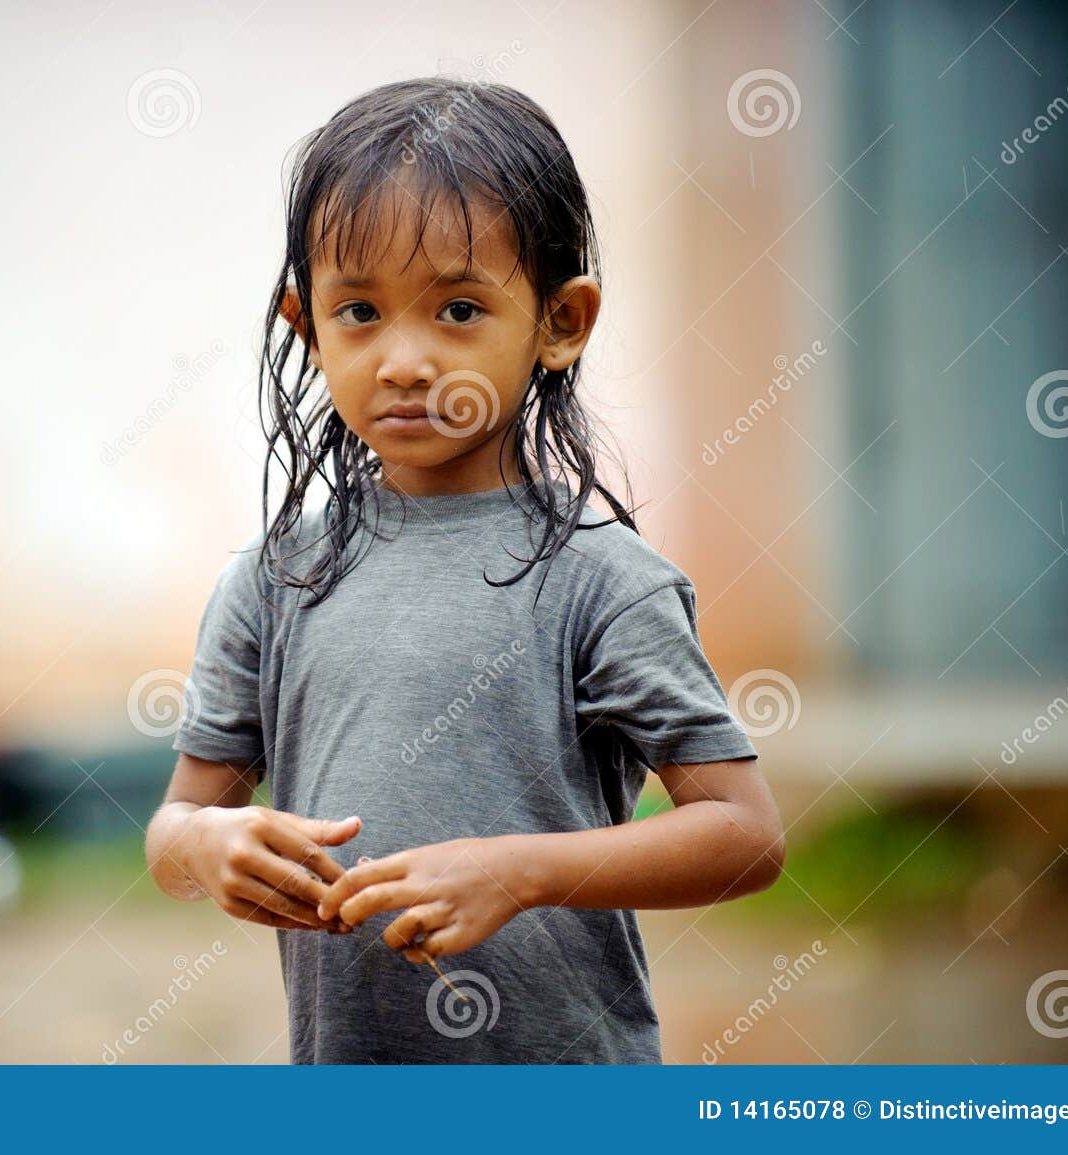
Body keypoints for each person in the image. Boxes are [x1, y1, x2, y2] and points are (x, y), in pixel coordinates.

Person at [143, 77, 785, 1064]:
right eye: (358, 309)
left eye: (456, 307)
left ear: (559, 322)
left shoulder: (599, 579)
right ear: (304, 324)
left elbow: (743, 836)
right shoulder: (274, 581)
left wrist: (517, 872)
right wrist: (205, 849)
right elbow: (176, 825)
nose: (403, 359)